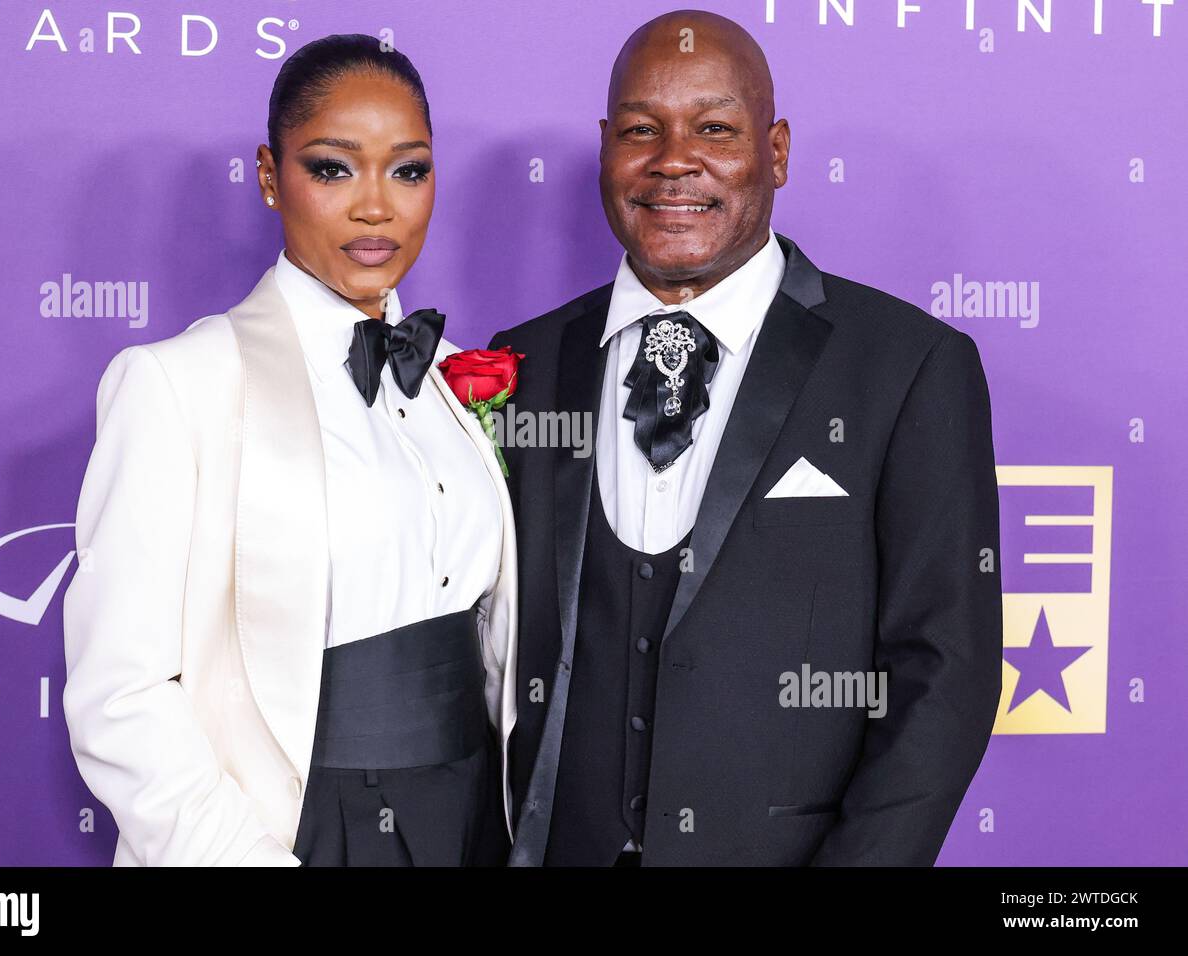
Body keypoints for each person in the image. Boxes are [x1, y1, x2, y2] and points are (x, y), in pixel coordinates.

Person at [491, 10, 1002, 866]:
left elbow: (943, 677)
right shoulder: (521, 364)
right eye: (642, 129)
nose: (675, 159)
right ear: (607, 147)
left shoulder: (909, 367)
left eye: (716, 128)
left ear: (778, 152)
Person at [62, 34, 517, 867]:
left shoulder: (455, 377)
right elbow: (118, 694)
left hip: (474, 814)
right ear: (271, 177)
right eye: (334, 168)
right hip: (298, 827)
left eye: (409, 170)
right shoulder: (180, 384)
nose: (376, 206)